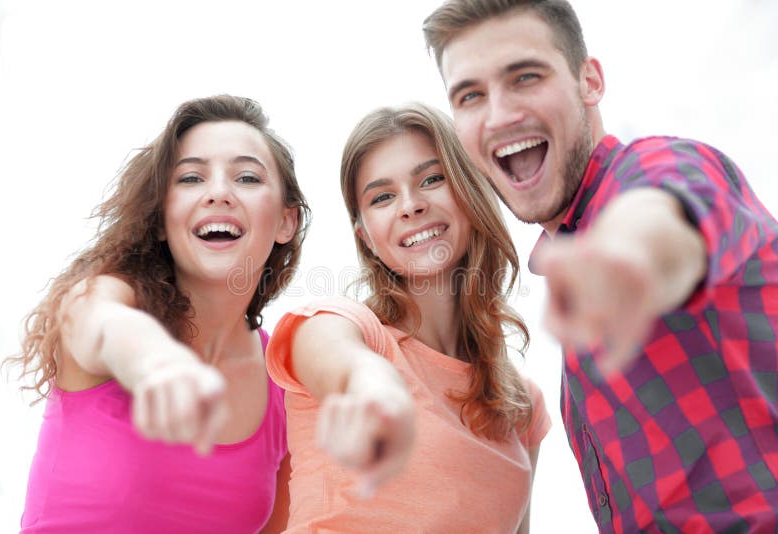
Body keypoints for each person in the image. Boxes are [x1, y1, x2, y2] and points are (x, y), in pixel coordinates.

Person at [423, 1, 778, 532]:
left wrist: (626, 256)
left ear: (589, 81)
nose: (498, 115)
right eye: (471, 95)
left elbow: (667, 212)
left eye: (525, 76)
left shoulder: (657, 169)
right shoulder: (573, 275)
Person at [7, 94, 309, 533]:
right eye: (190, 178)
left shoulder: (282, 385)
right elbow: (104, 326)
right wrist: (153, 360)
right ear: (162, 218)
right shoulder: (105, 297)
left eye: (246, 177)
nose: (219, 193)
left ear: (286, 221)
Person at [265, 102, 550, 532]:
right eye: (382, 197)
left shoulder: (521, 406)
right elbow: (340, 363)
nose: (410, 205)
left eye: (432, 179)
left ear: (469, 192)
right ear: (366, 237)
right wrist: (371, 386)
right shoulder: (339, 326)